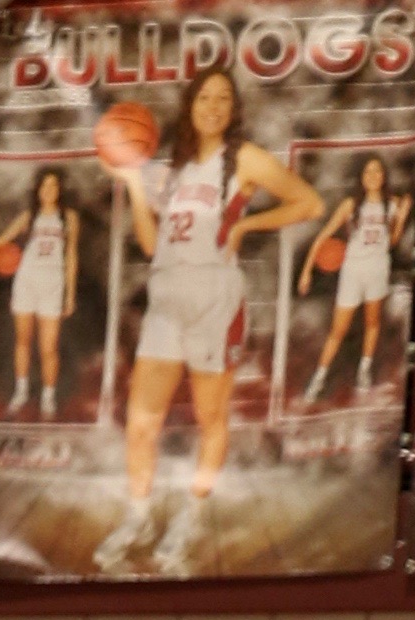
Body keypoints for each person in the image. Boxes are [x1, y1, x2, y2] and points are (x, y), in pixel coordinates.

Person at [94, 67, 323, 570]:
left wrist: (248, 226)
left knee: (210, 417)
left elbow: (309, 202)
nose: (213, 106)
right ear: (190, 105)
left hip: (215, 299)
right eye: (204, 97)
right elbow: (152, 243)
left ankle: (193, 515)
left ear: (233, 109)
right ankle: (139, 516)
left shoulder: (244, 159)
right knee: (141, 423)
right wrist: (133, 183)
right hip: (166, 297)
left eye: (223, 98)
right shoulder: (171, 167)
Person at [309, 146, 403, 399]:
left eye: (378, 171)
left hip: (378, 268)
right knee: (338, 329)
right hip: (353, 270)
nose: (373, 175)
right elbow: (323, 235)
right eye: (368, 171)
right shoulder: (351, 204)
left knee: (372, 323)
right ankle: (319, 377)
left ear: (384, 176)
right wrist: (306, 271)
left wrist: (402, 217)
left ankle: (364, 371)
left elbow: (392, 242)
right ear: (361, 177)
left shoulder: (392, 204)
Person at [0, 166, 75, 406]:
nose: (49, 190)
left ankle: (48, 396)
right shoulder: (29, 217)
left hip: (52, 283)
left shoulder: (68, 217)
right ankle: (21, 391)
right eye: (45, 185)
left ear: (59, 190)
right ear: (38, 190)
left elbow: (71, 256)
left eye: (54, 185)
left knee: (49, 347)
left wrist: (69, 294)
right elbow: (0, 241)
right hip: (27, 281)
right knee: (23, 341)